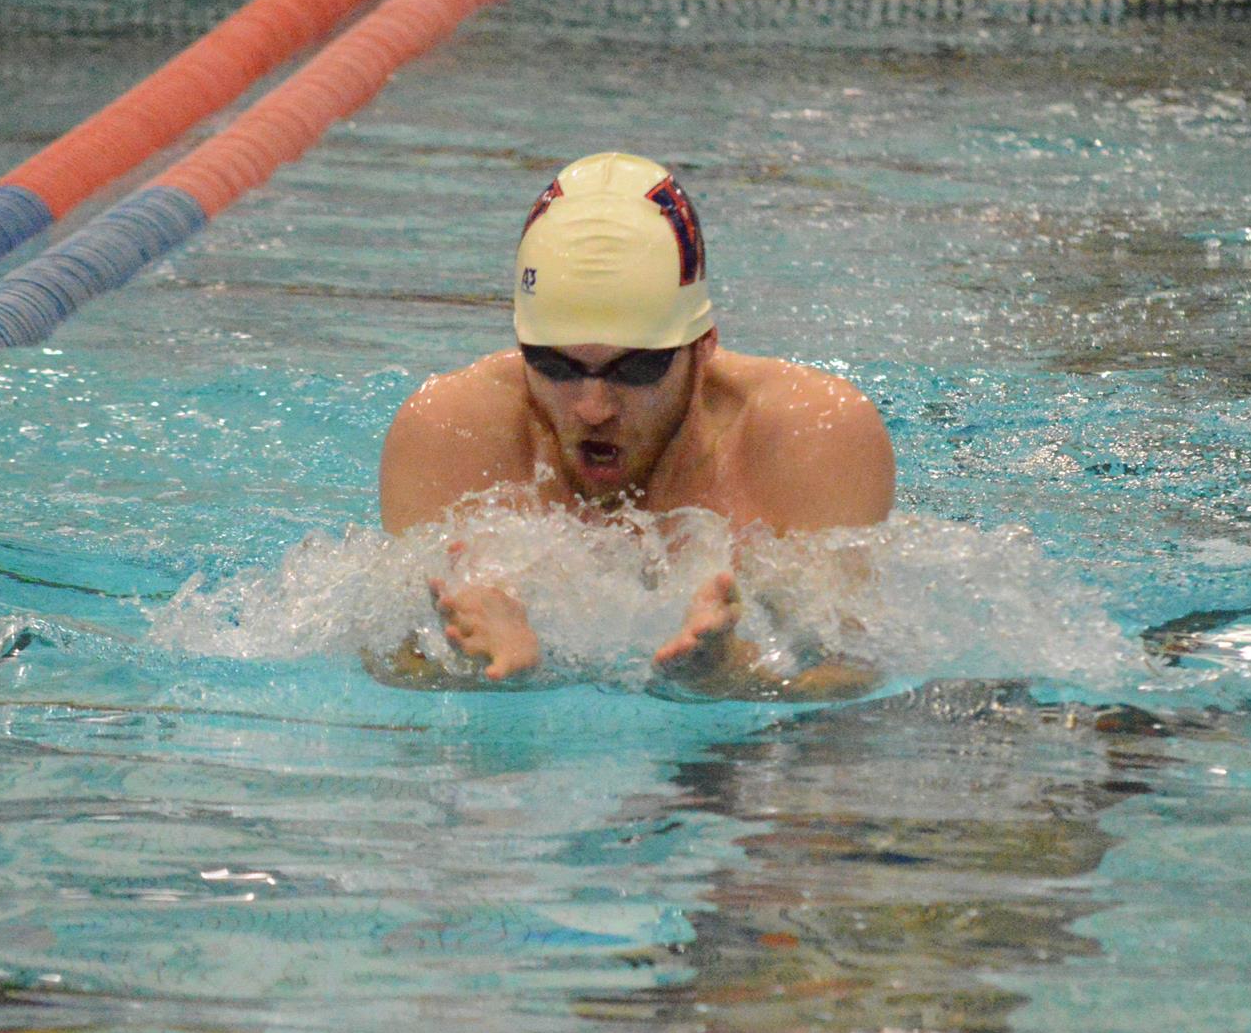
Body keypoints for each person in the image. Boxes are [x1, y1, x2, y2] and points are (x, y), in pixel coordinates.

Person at [375, 152, 895, 699]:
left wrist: (735, 677)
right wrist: (489, 675)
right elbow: (392, 663)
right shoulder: (450, 431)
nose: (593, 407)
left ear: (703, 346)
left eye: (636, 368)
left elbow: (853, 678)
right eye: (555, 366)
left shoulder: (809, 436)